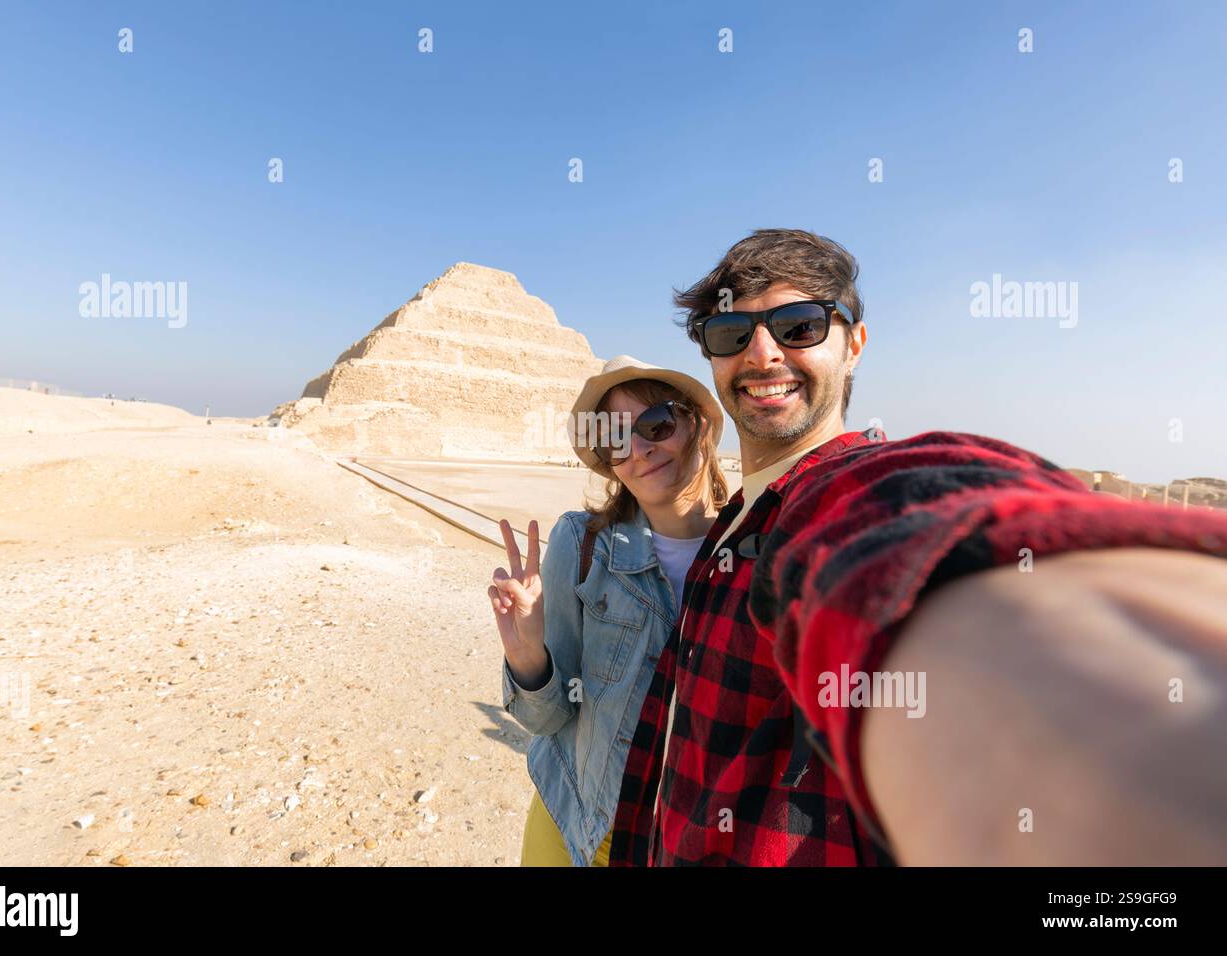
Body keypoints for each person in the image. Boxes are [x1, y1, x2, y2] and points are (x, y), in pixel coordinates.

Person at [610, 228, 1227, 866]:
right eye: (732, 333)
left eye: (798, 326)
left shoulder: (837, 494)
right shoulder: (736, 516)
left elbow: (914, 513)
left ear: (854, 345)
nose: (762, 354)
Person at [487, 356, 730, 865]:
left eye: (656, 424)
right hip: (580, 819)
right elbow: (548, 718)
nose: (639, 450)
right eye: (616, 441)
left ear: (699, 425)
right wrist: (529, 656)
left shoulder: (754, 547)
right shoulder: (582, 544)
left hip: (690, 839)